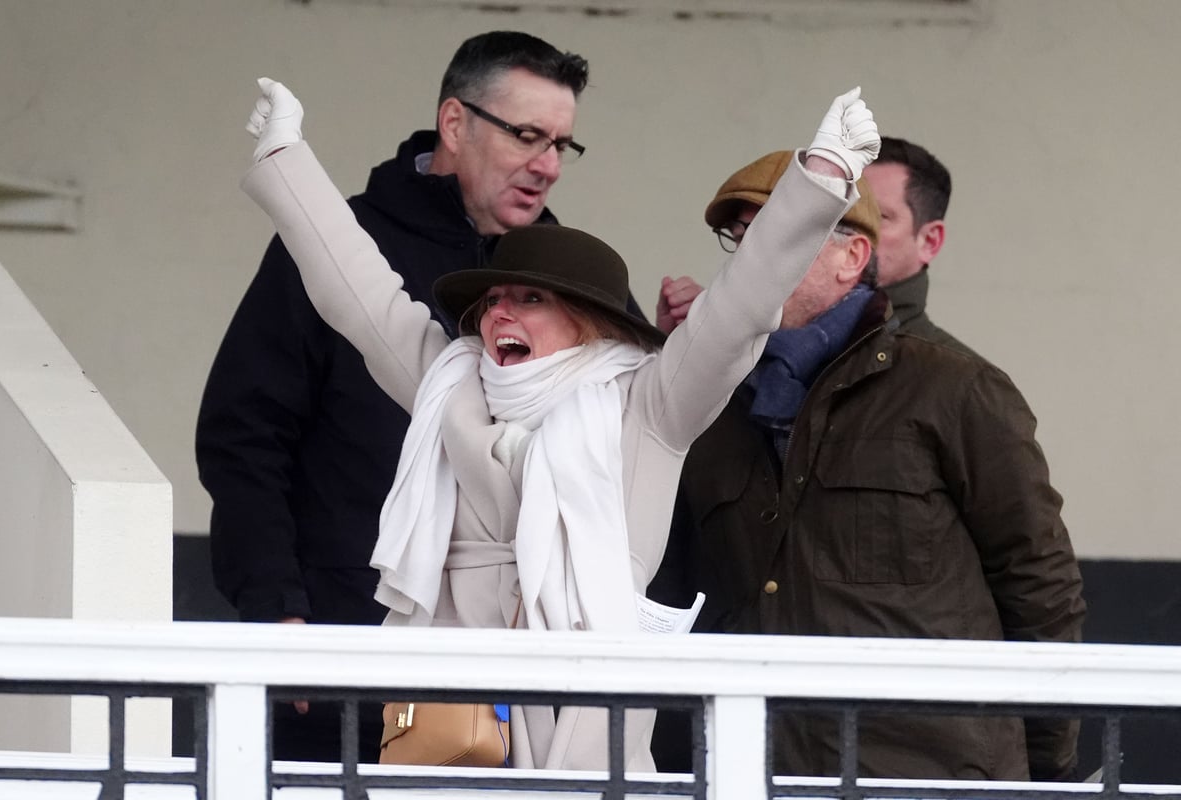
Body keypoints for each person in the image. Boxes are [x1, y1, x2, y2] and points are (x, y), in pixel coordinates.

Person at [238, 77, 879, 769]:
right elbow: (359, 292)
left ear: (590, 324)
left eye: (530, 299)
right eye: (493, 299)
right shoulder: (451, 384)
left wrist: (822, 176)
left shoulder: (649, 403)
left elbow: (740, 306)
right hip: (455, 742)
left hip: (587, 739)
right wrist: (284, 155)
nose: (499, 313)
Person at [195, 31, 597, 762]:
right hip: (342, 657)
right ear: (455, 123)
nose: (547, 165)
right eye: (527, 136)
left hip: (524, 678)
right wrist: (277, 609)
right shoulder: (343, 243)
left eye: (561, 145)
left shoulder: (573, 279)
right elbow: (244, 435)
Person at [650, 149, 1086, 780]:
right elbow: (668, 590)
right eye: (742, 239)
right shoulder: (708, 395)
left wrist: (1046, 777)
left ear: (853, 257)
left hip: (924, 776)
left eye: (780, 236)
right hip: (745, 768)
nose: (750, 260)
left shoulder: (954, 386)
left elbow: (1039, 583)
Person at [862, 135, 976, 354]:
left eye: (876, 216)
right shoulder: (793, 346)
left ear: (929, 242)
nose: (847, 229)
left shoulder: (958, 374)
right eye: (839, 213)